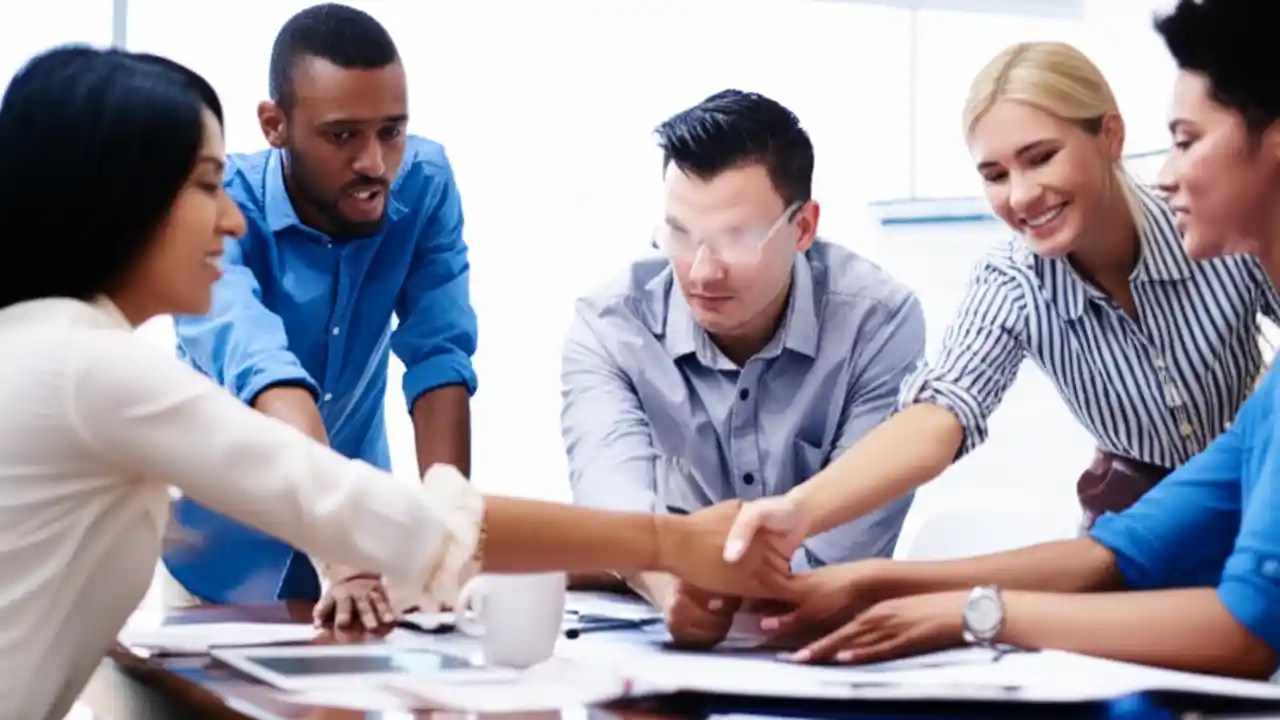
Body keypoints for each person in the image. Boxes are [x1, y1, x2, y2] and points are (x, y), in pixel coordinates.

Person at [0, 46, 796, 720]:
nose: (232, 219)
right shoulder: (92, 370)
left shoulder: (49, 347)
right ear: (119, 193)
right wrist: (669, 542)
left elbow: (436, 363)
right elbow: (371, 510)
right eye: (207, 186)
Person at [754, 0, 1280, 681]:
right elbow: (943, 419)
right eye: (994, 174)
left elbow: (1244, 628)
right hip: (1156, 518)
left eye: (1041, 158)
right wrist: (856, 563)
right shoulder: (1015, 279)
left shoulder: (1217, 225)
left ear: (1111, 135)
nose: (1022, 194)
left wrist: (974, 612)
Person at [561, 89, 925, 646]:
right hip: (658, 642)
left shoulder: (878, 323)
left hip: (823, 646)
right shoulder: (611, 327)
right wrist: (668, 586)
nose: (703, 273)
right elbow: (613, 509)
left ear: (803, 228)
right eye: (679, 236)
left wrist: (702, 585)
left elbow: (846, 549)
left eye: (737, 240)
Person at [164, 4, 478, 608]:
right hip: (217, 564)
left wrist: (452, 535)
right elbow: (261, 365)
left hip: (365, 559)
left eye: (392, 130)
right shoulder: (218, 210)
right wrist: (338, 541)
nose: (374, 163)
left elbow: (439, 356)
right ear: (274, 124)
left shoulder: (425, 182)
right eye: (342, 136)